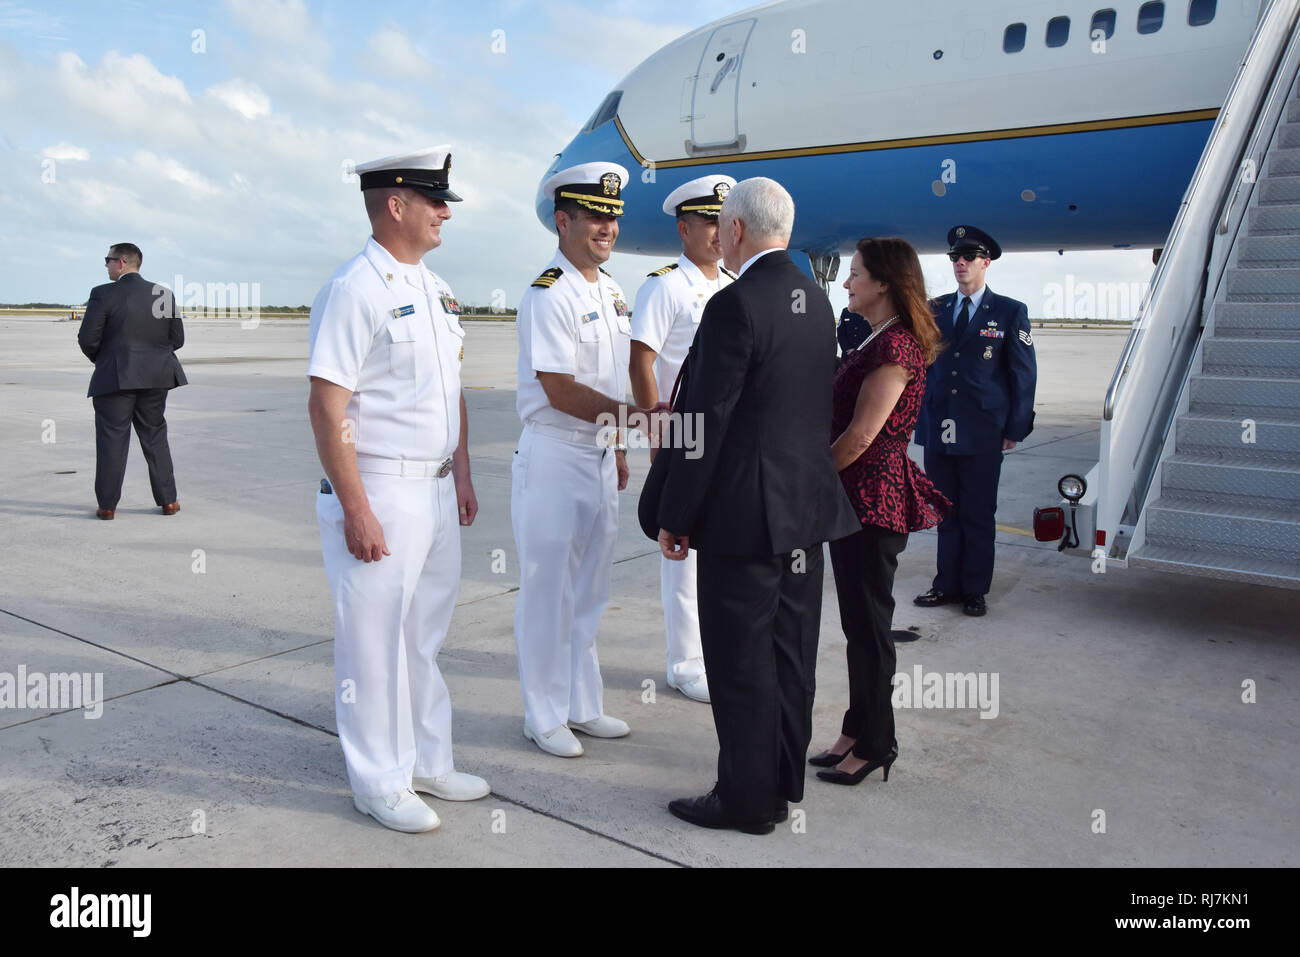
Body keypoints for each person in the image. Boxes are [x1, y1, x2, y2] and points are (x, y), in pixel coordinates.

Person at [657, 177, 860, 835]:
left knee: (741, 663)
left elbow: (705, 423)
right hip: (806, 513)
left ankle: (744, 801)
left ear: (736, 230)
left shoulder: (733, 304)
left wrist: (676, 514)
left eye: (720, 226)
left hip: (745, 520)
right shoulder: (816, 302)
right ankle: (778, 786)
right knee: (791, 657)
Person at [307, 145, 488, 834]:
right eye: (435, 200)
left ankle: (427, 761)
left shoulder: (433, 287)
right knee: (374, 642)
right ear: (395, 204)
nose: (446, 211)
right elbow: (328, 407)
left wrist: (463, 471)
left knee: (423, 637)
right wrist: (356, 506)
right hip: (380, 486)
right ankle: (379, 780)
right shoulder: (357, 287)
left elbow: (452, 390)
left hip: (437, 488)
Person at [512, 162, 651, 758]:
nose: (607, 227)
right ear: (562, 220)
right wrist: (636, 423)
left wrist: (618, 448)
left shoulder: (613, 291)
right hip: (554, 457)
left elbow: (613, 374)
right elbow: (560, 388)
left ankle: (581, 704)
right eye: (595, 216)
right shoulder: (549, 293)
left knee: (591, 588)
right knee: (549, 591)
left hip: (596, 455)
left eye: (613, 217)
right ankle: (542, 715)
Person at [810, 237, 949, 786]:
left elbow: (862, 435)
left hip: (872, 498)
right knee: (858, 626)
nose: (846, 283)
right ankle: (855, 728)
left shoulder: (894, 350)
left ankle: (878, 742)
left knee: (870, 628)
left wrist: (810, 481)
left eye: (855, 274)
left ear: (885, 283)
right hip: (859, 496)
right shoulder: (880, 337)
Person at [629, 173, 738, 705]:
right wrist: (657, 433)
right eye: (707, 222)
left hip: (725, 440)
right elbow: (642, 360)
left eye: (724, 221)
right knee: (682, 551)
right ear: (684, 228)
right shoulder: (665, 285)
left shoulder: (732, 287)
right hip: (685, 435)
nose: (718, 232)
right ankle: (685, 663)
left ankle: (712, 653)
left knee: (717, 548)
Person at [914, 225, 1037, 617]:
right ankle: (945, 583)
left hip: (983, 431)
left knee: (978, 513)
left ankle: (974, 589)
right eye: (955, 257)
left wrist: (1015, 428)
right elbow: (922, 368)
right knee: (944, 510)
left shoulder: (1009, 312)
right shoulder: (934, 309)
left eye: (968, 257)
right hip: (939, 428)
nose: (960, 263)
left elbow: (1022, 374)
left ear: (986, 262)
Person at [77, 243, 186, 520]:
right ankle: (169, 501)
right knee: (155, 436)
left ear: (122, 262)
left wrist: (106, 361)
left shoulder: (102, 294)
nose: (106, 265)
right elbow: (177, 340)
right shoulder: (163, 294)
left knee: (112, 439)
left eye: (108, 260)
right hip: (157, 377)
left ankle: (108, 506)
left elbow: (88, 339)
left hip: (115, 378)